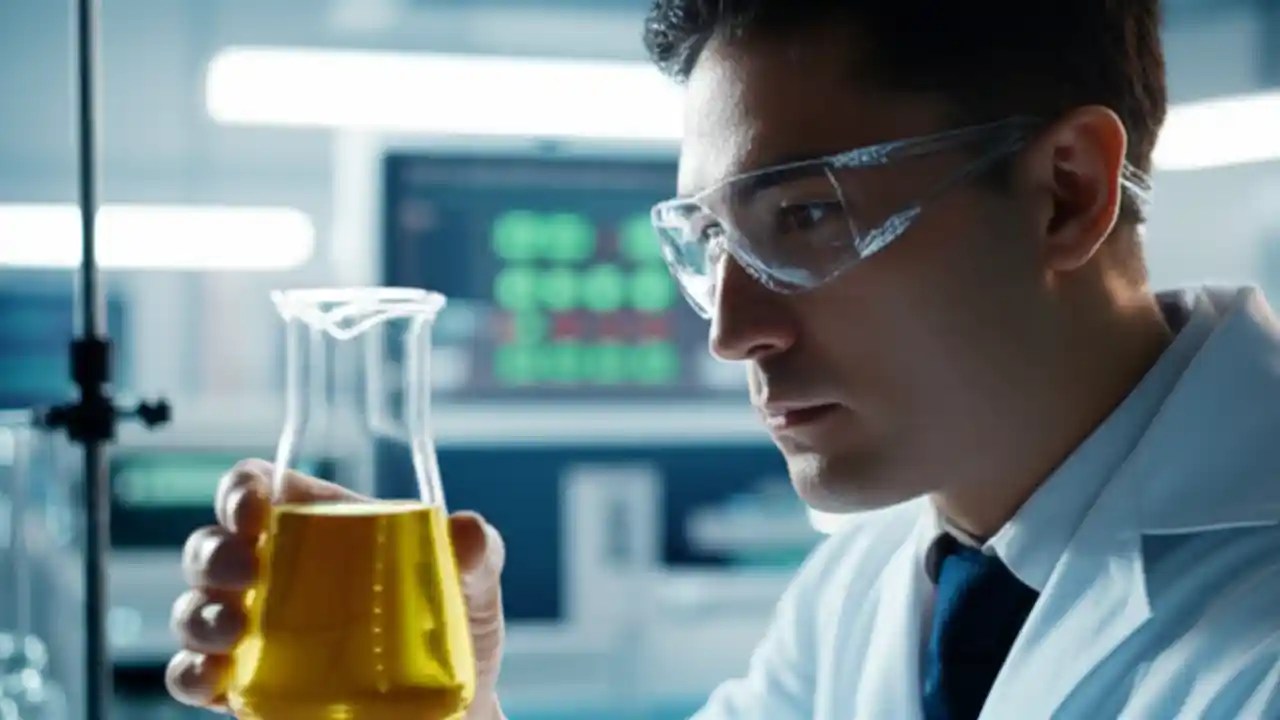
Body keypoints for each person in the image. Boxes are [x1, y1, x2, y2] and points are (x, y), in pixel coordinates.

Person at [168, 1, 1280, 717]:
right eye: (709, 243)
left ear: (1063, 193)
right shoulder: (863, 585)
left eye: (803, 215)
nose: (730, 327)